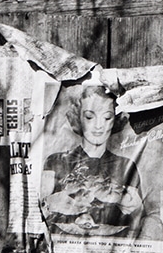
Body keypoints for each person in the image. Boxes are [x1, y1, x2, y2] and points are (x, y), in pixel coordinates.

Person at [40, 82, 145, 238]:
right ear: (78, 117)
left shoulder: (126, 165)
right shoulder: (54, 161)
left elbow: (138, 215)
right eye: (89, 117)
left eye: (107, 117)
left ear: (115, 120)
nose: (98, 126)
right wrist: (55, 202)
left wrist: (117, 197)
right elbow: (40, 211)